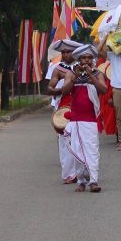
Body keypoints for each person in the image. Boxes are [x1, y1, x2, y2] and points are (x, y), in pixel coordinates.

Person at [62, 44, 108, 192]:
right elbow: (64, 91)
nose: (87, 60)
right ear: (79, 59)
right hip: (75, 119)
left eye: (89, 57)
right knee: (77, 151)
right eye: (83, 58)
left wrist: (91, 77)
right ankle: (81, 181)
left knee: (92, 151)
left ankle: (93, 181)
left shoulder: (98, 74)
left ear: (92, 59)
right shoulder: (71, 74)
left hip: (90, 119)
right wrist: (75, 77)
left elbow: (104, 90)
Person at [45, 39, 82, 184]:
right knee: (65, 141)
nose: (65, 55)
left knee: (80, 140)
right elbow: (49, 88)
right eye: (63, 52)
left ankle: (82, 172)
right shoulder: (58, 69)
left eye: (68, 52)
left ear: (75, 52)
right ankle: (69, 174)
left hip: (81, 106)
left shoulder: (83, 67)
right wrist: (62, 90)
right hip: (64, 108)